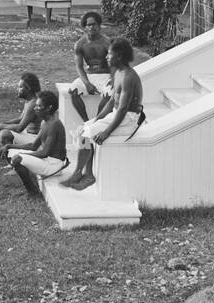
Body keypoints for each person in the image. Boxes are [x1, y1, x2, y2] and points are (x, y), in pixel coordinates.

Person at [64, 38, 143, 191]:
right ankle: (86, 173)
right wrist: (96, 119)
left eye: (109, 54)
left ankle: (83, 175)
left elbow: (123, 109)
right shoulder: (119, 73)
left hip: (128, 119)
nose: (106, 57)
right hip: (118, 115)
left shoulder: (128, 77)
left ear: (119, 56)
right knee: (83, 128)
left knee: (85, 134)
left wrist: (107, 131)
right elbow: (112, 101)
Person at [9, 90, 68, 196]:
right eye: (35, 105)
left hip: (54, 165)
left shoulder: (54, 124)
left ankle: (33, 192)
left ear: (49, 107)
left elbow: (44, 153)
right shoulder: (45, 122)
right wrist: (10, 145)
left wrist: (22, 155)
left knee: (18, 158)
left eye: (39, 106)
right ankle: (32, 188)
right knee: (10, 152)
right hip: (47, 161)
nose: (35, 108)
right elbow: (33, 146)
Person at [66, 11, 110, 123]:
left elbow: (114, 64)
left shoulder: (107, 42)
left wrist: (114, 79)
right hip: (89, 75)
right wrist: (87, 83)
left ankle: (96, 122)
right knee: (73, 90)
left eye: (94, 24)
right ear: (84, 27)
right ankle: (86, 122)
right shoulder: (80, 44)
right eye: (88, 25)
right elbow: (79, 67)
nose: (92, 27)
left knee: (110, 94)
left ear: (99, 25)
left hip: (106, 75)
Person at [0, 73, 42, 158]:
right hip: (29, 135)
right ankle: (13, 158)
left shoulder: (33, 104)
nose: (17, 89)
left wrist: (1, 126)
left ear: (28, 89)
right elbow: (20, 119)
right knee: (6, 130)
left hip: (36, 140)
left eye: (20, 87)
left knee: (5, 134)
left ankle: (12, 160)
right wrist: (2, 123)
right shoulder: (29, 101)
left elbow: (20, 128)